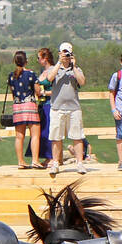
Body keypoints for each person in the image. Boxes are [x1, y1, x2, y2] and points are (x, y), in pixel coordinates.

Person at [42, 41, 86, 177]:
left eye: (68, 53)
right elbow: (49, 78)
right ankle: (55, 163)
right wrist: (59, 63)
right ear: (60, 53)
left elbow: (82, 81)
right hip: (57, 108)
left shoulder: (76, 69)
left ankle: (80, 162)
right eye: (63, 53)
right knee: (56, 137)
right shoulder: (54, 68)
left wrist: (73, 66)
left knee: (77, 136)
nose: (66, 56)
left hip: (74, 108)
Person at [8, 50, 41, 170]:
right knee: (35, 135)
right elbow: (37, 91)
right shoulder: (31, 74)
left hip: (17, 106)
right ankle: (35, 160)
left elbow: (12, 92)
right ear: (26, 61)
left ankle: (20, 161)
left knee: (19, 136)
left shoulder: (11, 76)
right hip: (30, 105)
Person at [33, 47, 54, 168]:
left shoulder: (52, 71)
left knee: (49, 130)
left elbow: (56, 90)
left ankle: (51, 157)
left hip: (50, 103)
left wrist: (44, 93)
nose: (38, 60)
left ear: (45, 59)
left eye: (39, 58)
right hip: (41, 104)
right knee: (43, 131)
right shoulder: (42, 71)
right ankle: (47, 157)